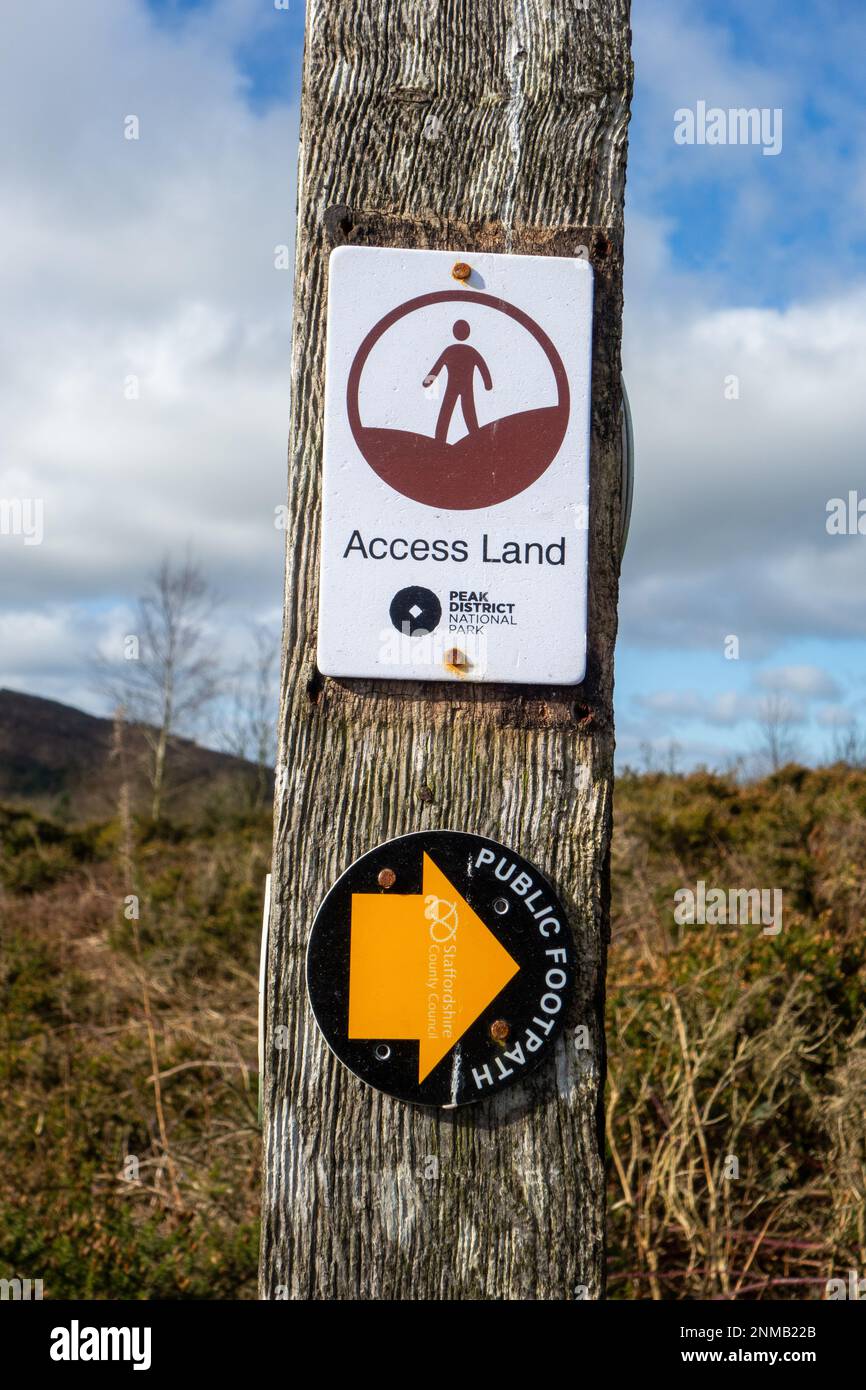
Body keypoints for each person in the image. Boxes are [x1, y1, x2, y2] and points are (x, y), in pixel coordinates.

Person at [422, 320, 492, 444]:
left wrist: (427, 382)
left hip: (454, 388)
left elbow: (436, 369)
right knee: (468, 414)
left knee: (448, 413)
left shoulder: (451, 350)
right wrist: (487, 384)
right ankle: (473, 440)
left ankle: (440, 441)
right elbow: (483, 368)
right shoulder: (470, 351)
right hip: (464, 389)